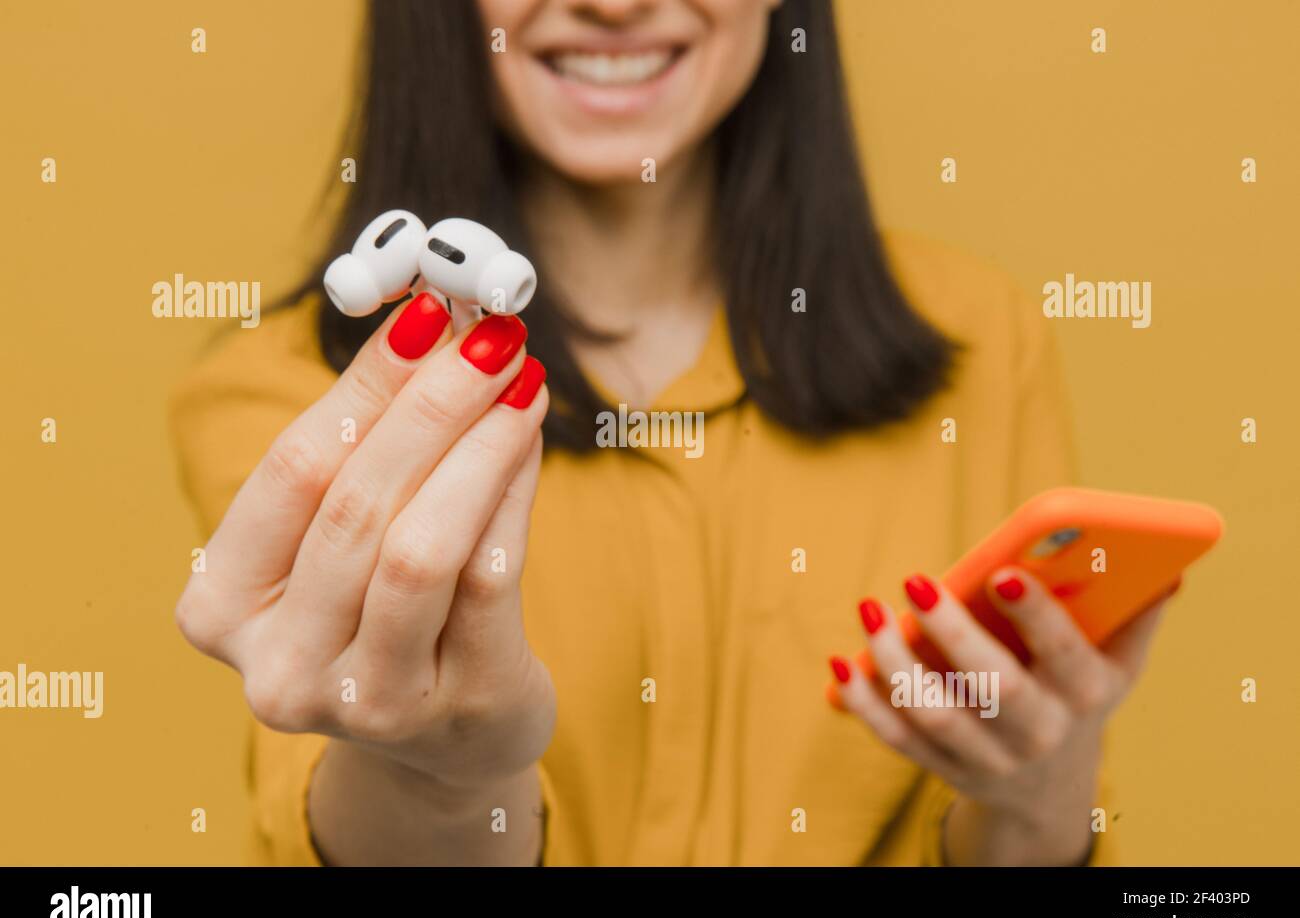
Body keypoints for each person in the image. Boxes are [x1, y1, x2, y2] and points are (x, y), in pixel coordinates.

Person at [171, 0, 1171, 866]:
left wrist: (1039, 790)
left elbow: (1021, 830)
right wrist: (444, 774)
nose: (615, 5)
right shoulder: (289, 401)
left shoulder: (982, 341)